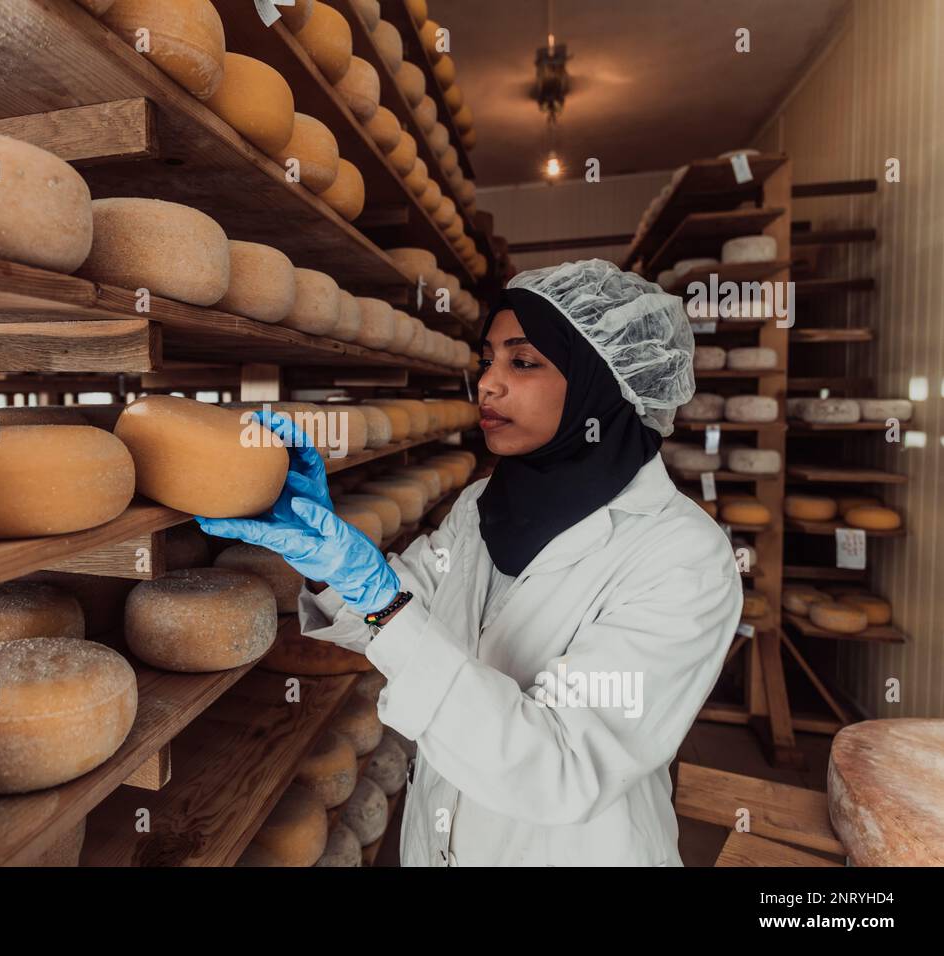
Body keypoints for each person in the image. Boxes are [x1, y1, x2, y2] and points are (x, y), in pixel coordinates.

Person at [198, 259, 743, 866]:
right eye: (487, 359)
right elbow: (404, 616)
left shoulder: (683, 557)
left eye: (523, 361)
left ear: (601, 381)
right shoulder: (485, 504)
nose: (486, 383)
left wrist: (379, 596)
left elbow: (561, 767)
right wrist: (332, 566)